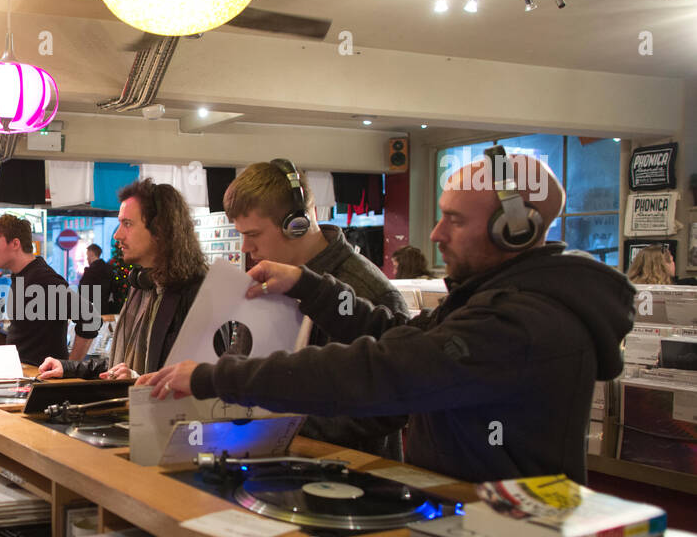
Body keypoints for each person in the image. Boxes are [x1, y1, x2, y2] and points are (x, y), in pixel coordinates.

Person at [140, 150, 635, 484]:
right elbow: (397, 336)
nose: (436, 233)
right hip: (470, 516)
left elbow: (380, 369)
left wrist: (213, 377)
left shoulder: (523, 322)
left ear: (515, 231)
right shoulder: (491, 300)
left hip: (506, 535)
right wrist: (308, 285)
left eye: (456, 220)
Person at [225, 159, 409, 460]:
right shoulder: (265, 280)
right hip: (267, 464)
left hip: (346, 484)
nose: (245, 247)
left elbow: (383, 409)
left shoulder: (370, 291)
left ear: (297, 225)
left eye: (254, 234)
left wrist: (281, 418)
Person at [39, 179, 206, 380]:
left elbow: (204, 378)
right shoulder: (143, 284)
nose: (117, 235)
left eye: (127, 224)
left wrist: (137, 379)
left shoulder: (199, 291)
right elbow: (119, 365)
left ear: (160, 230)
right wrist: (68, 368)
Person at [0, 214, 70, 365]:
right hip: (25, 377)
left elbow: (89, 318)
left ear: (15, 244)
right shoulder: (22, 275)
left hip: (43, 382)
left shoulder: (43, 278)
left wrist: (70, 368)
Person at [69, 243, 112, 360]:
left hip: (91, 310)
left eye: (88, 256)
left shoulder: (91, 271)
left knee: (91, 349)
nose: (87, 260)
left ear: (92, 254)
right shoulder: (108, 269)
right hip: (105, 310)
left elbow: (83, 292)